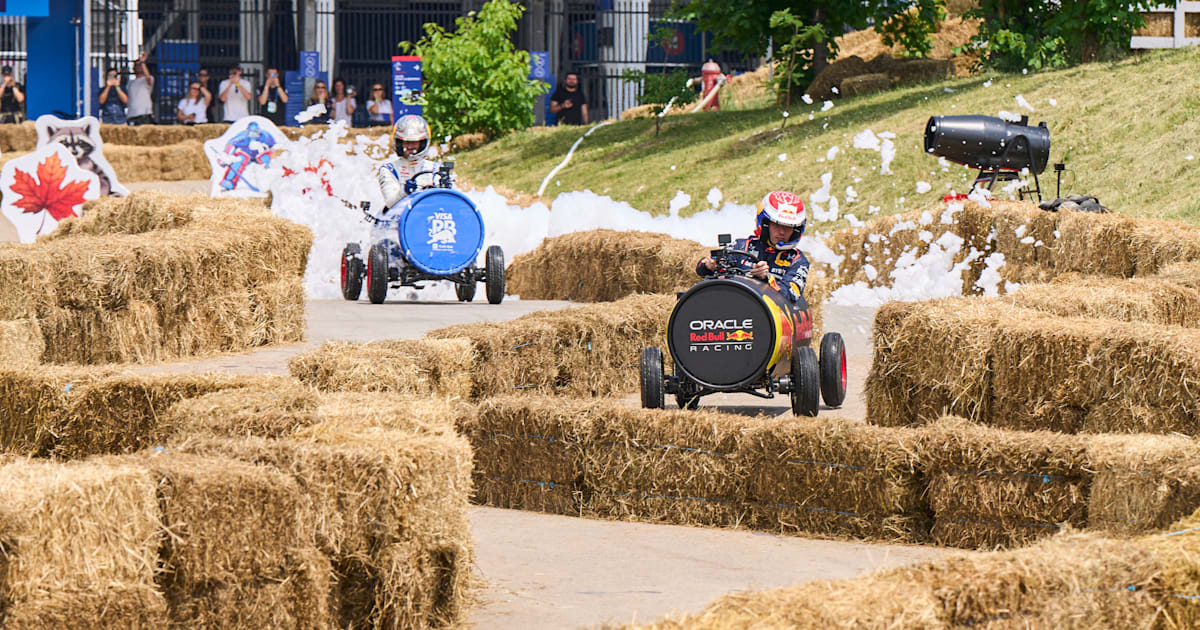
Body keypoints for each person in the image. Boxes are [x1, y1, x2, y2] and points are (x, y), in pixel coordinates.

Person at [697, 190, 811, 306]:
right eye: (777, 225)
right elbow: (700, 268)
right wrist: (709, 265)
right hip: (733, 308)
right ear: (765, 224)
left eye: (788, 227)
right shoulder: (741, 246)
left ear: (796, 230)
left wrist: (767, 279)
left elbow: (792, 295)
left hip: (769, 316)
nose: (782, 232)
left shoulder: (798, 260)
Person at [377, 114, 441, 210]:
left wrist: (445, 188)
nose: (410, 146)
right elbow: (390, 203)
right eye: (406, 142)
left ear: (422, 143)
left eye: (414, 142)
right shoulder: (389, 169)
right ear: (399, 142)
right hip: (400, 217)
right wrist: (404, 192)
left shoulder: (436, 168)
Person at [125, 53, 155, 125]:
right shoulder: (130, 82)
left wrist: (142, 62)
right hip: (131, 114)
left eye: (140, 65)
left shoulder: (148, 79)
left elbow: (148, 78)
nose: (138, 66)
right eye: (136, 65)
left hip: (144, 113)